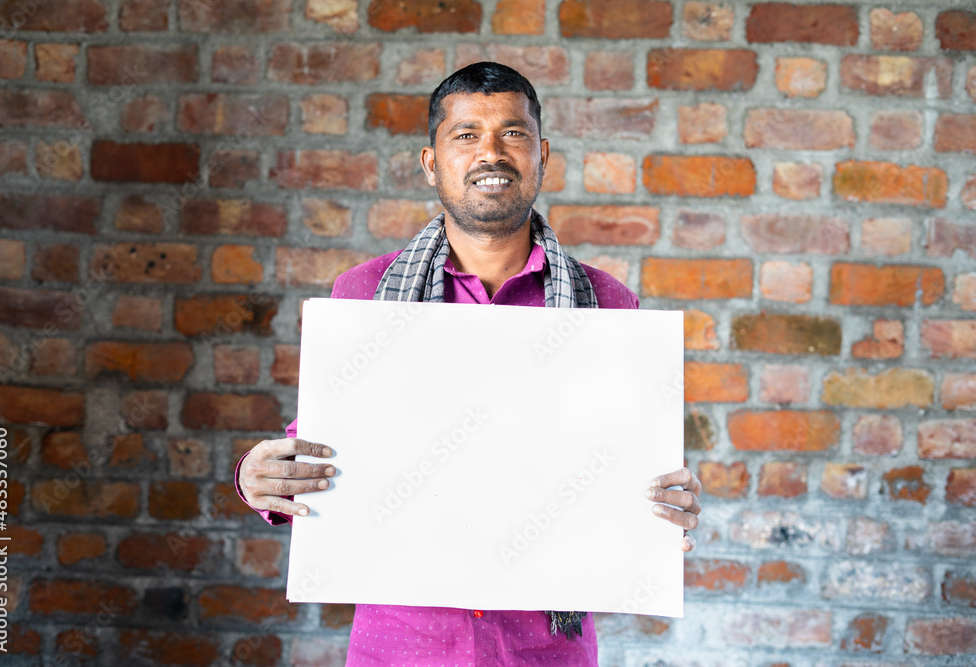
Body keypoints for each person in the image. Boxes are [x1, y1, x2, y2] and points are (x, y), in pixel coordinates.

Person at [236, 62, 703, 666]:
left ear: (542, 156)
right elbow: (327, 449)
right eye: (466, 135)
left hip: (544, 650)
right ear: (431, 162)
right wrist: (260, 476)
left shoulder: (608, 306)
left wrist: (666, 503)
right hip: (403, 646)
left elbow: (626, 472)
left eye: (513, 134)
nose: (491, 153)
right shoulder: (365, 293)